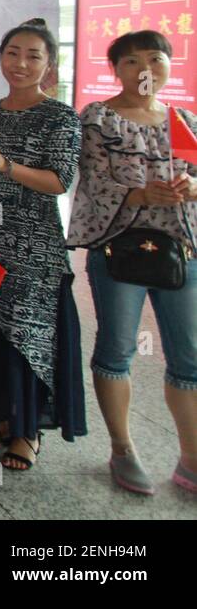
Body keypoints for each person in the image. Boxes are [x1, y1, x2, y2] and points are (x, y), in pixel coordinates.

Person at [0, 20, 86, 471]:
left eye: (33, 56)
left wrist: (6, 166)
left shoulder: (61, 117)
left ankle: (26, 430)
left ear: (48, 65)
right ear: (1, 57)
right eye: (13, 54)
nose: (21, 64)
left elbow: (58, 182)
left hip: (35, 248)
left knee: (26, 335)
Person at [68, 29, 197, 496]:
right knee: (118, 349)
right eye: (131, 61)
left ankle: (191, 458)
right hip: (117, 248)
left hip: (179, 250)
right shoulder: (99, 118)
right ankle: (123, 448)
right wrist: (140, 193)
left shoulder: (183, 118)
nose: (144, 69)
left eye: (155, 58)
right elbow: (91, 182)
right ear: (115, 69)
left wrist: (192, 188)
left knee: (189, 357)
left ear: (168, 64)